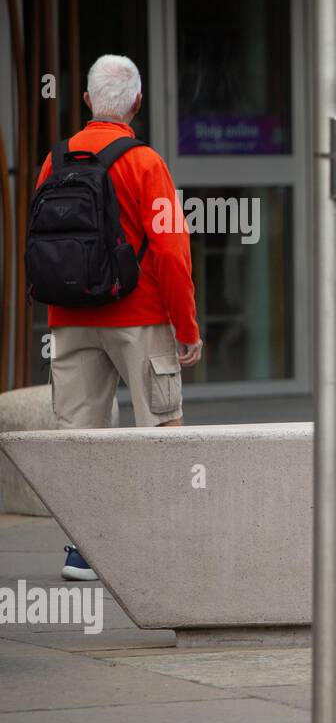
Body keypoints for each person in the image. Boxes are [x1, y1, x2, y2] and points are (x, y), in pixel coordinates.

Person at [34, 54, 203, 581]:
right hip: (139, 319)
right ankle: (169, 548)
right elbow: (172, 252)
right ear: (136, 103)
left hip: (70, 316)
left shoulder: (53, 160)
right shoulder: (146, 163)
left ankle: (82, 553)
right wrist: (187, 328)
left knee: (79, 436)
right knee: (161, 426)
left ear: (86, 102)